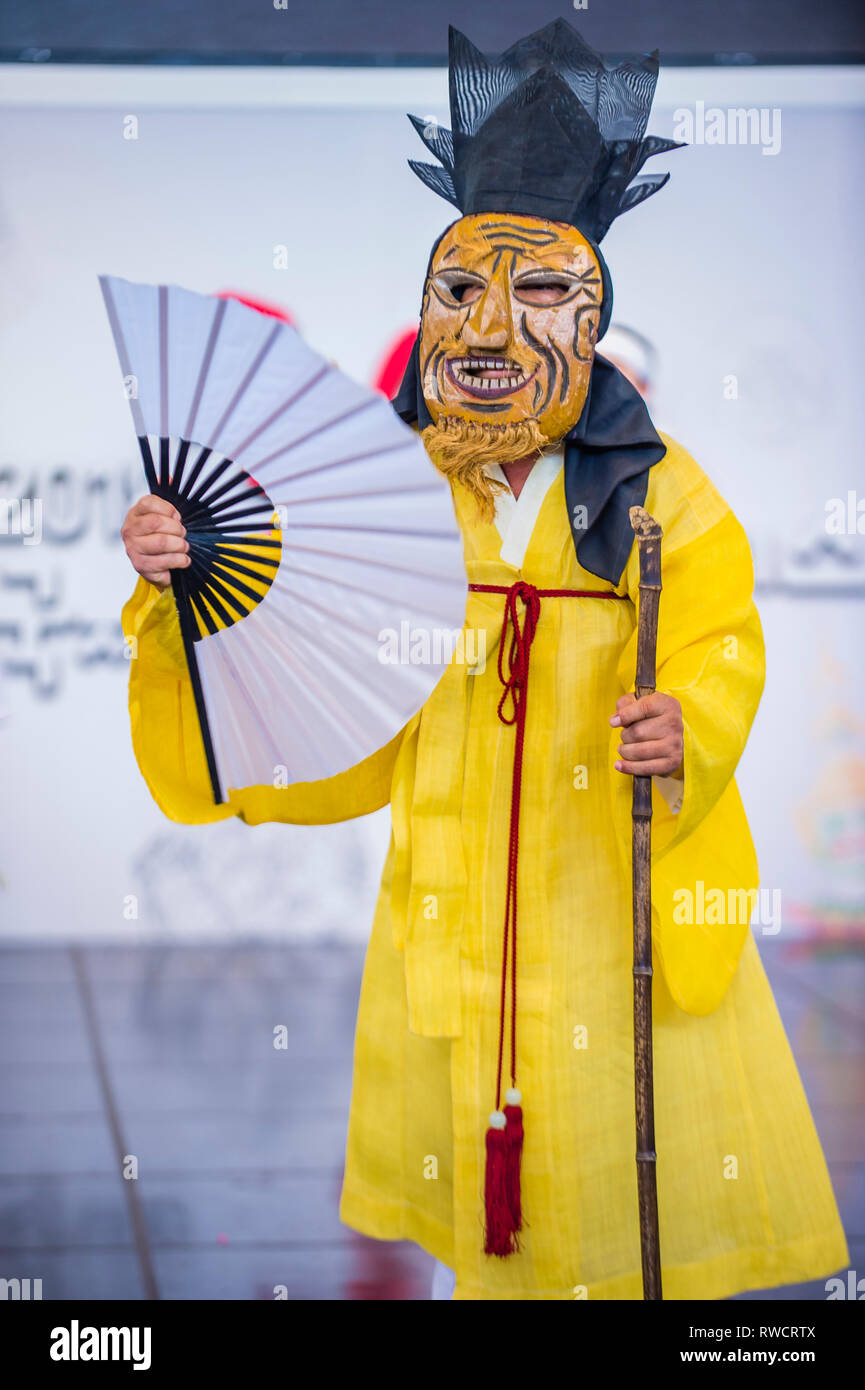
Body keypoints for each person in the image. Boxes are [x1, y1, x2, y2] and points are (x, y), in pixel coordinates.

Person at [119, 20, 848, 1300]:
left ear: (596, 310)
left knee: (619, 1206)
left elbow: (723, 641)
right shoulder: (381, 495)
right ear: (427, 309)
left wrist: (689, 721)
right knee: (478, 1204)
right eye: (460, 291)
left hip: (597, 905)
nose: (494, 327)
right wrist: (182, 582)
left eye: (542, 292)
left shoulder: (661, 495)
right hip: (453, 906)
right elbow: (299, 665)